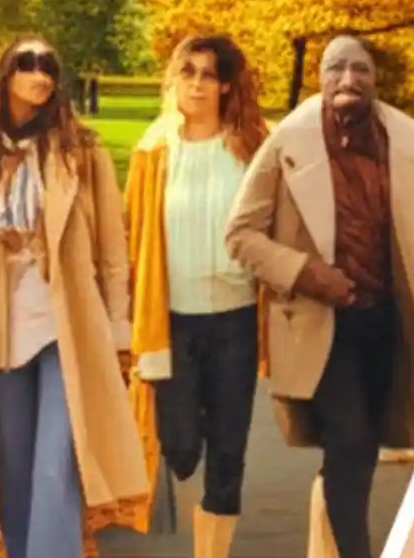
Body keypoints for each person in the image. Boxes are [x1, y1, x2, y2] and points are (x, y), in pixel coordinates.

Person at [225, 34, 414, 558]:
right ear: (320, 80)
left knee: (361, 448)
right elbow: (240, 233)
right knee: (349, 440)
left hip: (386, 319)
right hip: (320, 320)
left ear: (375, 80)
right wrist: (306, 273)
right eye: (335, 70)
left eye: (360, 70)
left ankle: (325, 540)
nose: (348, 80)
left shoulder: (410, 143)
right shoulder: (287, 143)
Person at [0, 36, 149, 557]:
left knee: (57, 466)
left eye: (48, 64)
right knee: (14, 469)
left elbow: (113, 254)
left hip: (67, 329)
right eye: (26, 63)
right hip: (0, 336)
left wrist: (120, 328)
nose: (39, 72)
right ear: (6, 75)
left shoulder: (83, 154)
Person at [125, 35, 270, 556]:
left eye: (209, 74)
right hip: (175, 321)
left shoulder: (254, 147)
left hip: (235, 318)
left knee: (228, 454)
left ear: (227, 84)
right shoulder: (155, 150)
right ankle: (193, 429)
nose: (197, 84)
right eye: (188, 72)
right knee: (181, 447)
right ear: (175, 80)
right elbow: (134, 235)